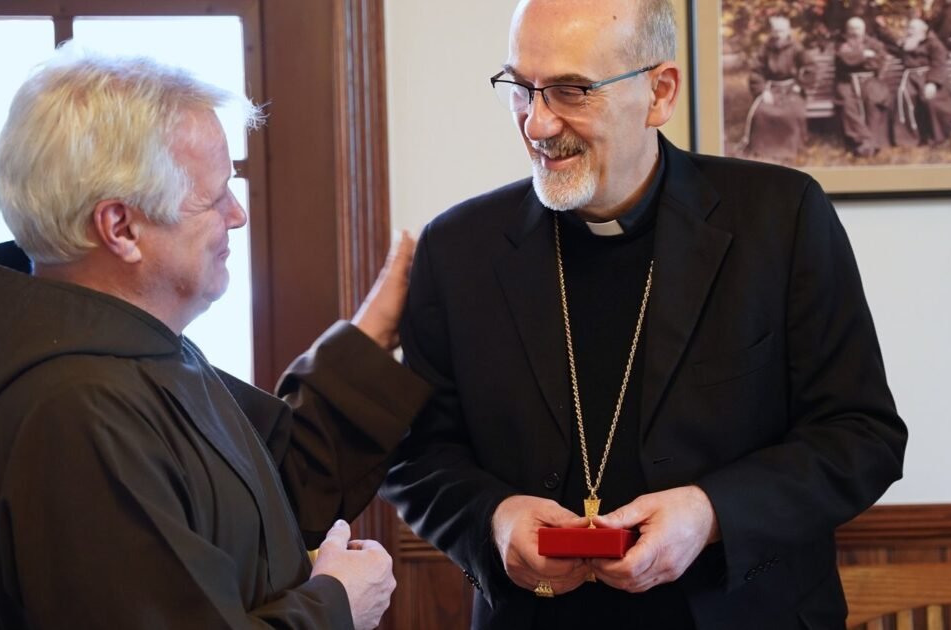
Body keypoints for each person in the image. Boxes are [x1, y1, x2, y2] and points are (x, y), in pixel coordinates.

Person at [380, 0, 907, 628]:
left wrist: (712, 512)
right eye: (522, 89)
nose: (537, 124)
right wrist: (496, 520)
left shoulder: (779, 219)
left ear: (659, 93)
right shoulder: (458, 247)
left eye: (571, 90)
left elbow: (862, 435)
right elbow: (416, 456)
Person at [0, 48, 430, 630]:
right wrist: (335, 605)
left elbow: (273, 488)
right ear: (122, 227)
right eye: (214, 197)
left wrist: (377, 329)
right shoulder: (75, 411)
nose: (237, 214)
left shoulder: (129, 351)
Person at [741, 16, 816, 162]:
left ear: (788, 31)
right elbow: (756, 71)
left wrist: (799, 85)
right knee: (762, 112)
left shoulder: (796, 48)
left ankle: (790, 149)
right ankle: (763, 149)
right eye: (775, 31)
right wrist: (763, 91)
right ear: (771, 32)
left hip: (791, 89)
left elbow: (810, 67)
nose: (777, 35)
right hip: (771, 88)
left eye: (781, 31)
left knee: (793, 113)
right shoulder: (765, 48)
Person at [882, 18, 951, 147]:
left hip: (929, 78)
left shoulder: (933, 44)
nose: (909, 31)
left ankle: (937, 138)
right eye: (909, 28)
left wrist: (932, 83)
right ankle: (908, 140)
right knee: (905, 99)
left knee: (932, 101)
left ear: (923, 31)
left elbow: (939, 64)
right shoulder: (906, 44)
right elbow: (889, 45)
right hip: (910, 79)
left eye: (913, 29)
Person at [835, 17, 892, 157]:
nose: (855, 32)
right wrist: (864, 55)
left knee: (874, 100)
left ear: (864, 29)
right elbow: (845, 59)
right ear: (847, 30)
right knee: (848, 104)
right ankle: (865, 140)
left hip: (870, 80)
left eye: (858, 28)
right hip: (847, 81)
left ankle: (870, 142)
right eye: (852, 28)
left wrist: (858, 58)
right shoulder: (840, 44)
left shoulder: (874, 44)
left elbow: (880, 62)